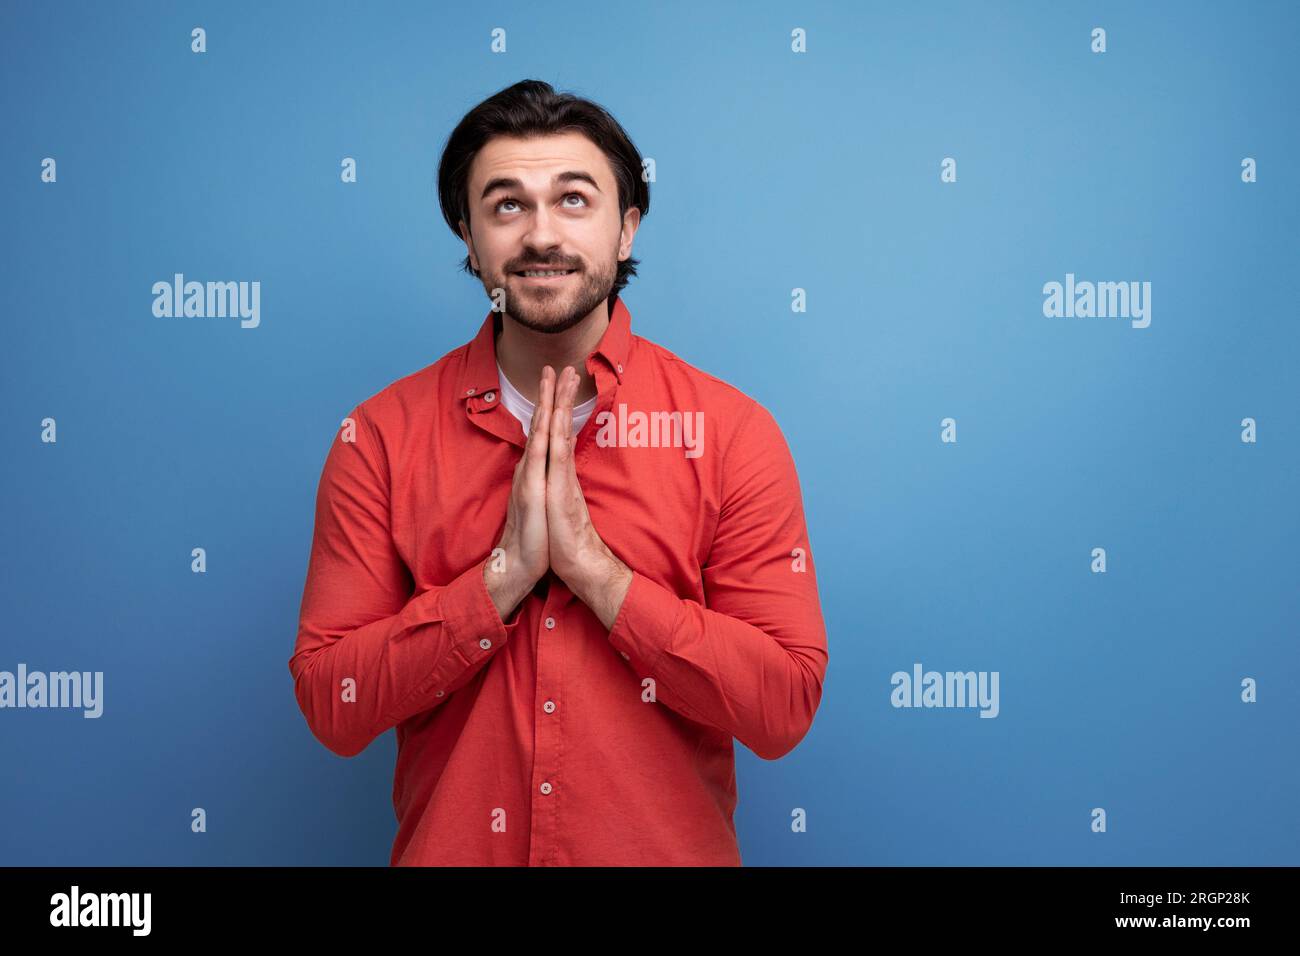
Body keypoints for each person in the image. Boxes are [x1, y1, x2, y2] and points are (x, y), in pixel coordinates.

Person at [288, 79, 829, 866]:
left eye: (574, 200)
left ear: (626, 230)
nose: (543, 234)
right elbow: (332, 706)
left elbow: (782, 707)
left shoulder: (730, 434)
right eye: (506, 205)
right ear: (469, 240)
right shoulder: (376, 437)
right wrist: (499, 579)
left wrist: (599, 578)